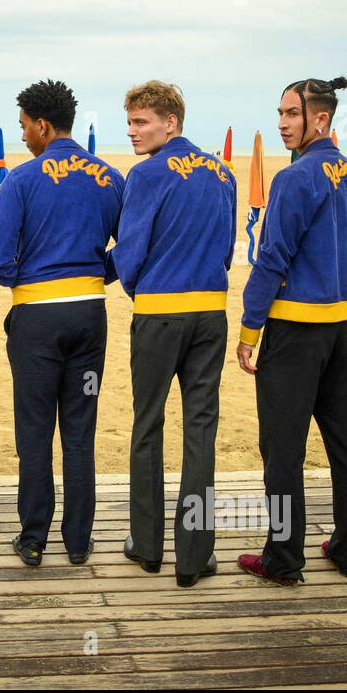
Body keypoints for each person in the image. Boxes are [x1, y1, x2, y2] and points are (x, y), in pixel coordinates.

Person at [235, 76, 347, 585]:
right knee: (343, 441)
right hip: (345, 328)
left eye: (291, 114)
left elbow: (271, 258)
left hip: (296, 331)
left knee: (282, 448)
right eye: (280, 114)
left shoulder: (294, 180)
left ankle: (284, 558)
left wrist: (251, 327)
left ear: (320, 119)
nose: (281, 124)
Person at [0, 80, 124, 567]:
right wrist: (99, 272)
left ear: (42, 125)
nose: (22, 137)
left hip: (37, 318)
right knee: (81, 429)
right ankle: (79, 542)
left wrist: (25, 278)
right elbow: (133, 244)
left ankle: (34, 537)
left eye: (23, 127)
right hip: (89, 314)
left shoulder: (22, 179)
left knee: (35, 429)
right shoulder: (109, 177)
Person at [109, 81, 235, 587]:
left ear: (171, 123)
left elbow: (131, 251)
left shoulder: (146, 174)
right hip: (211, 312)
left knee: (148, 425)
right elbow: (227, 245)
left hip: (160, 313)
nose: (133, 131)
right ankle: (194, 556)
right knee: (201, 429)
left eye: (141, 122)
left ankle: (147, 544)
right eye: (131, 122)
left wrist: (143, 289)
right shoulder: (222, 173)